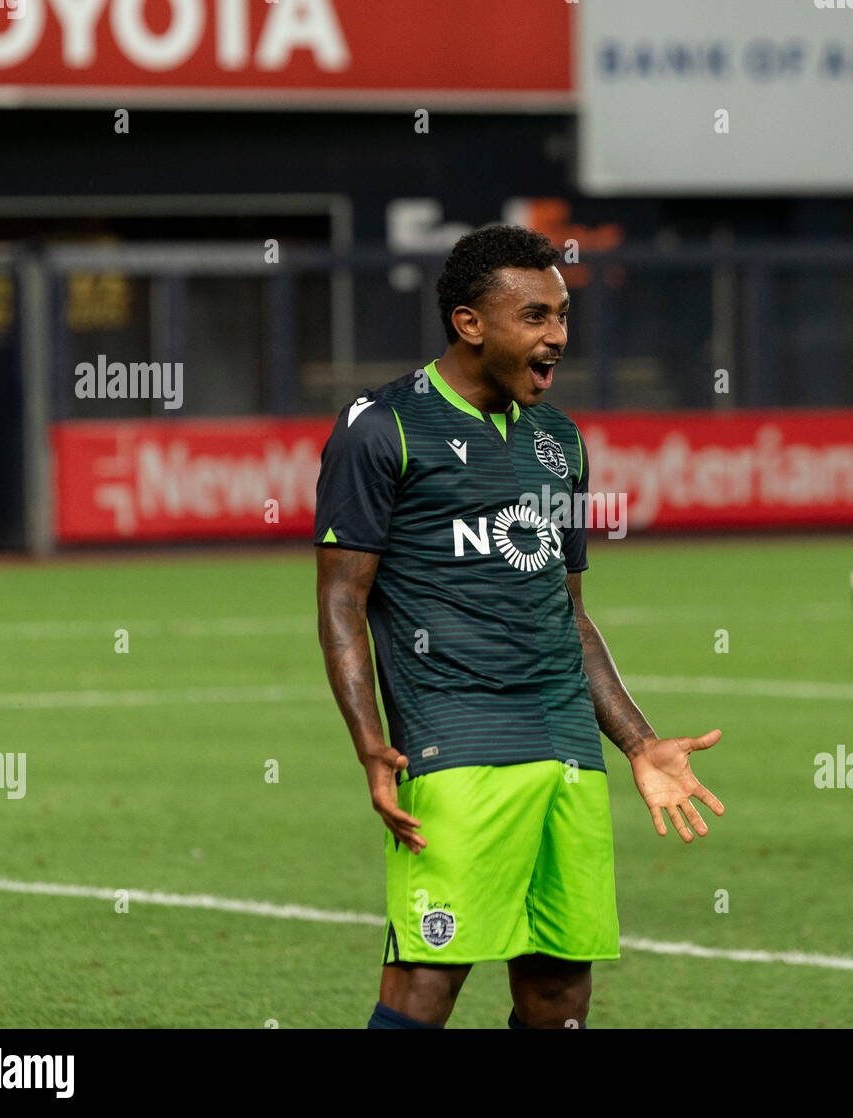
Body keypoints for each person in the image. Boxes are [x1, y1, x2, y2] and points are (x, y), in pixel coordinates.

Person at [314, 225, 723, 1029]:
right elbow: (341, 603)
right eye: (535, 317)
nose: (558, 337)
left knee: (560, 992)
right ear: (471, 323)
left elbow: (569, 612)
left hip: (568, 749)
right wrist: (370, 743)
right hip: (455, 749)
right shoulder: (383, 426)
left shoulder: (558, 443)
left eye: (563, 316)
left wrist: (638, 743)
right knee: (427, 985)